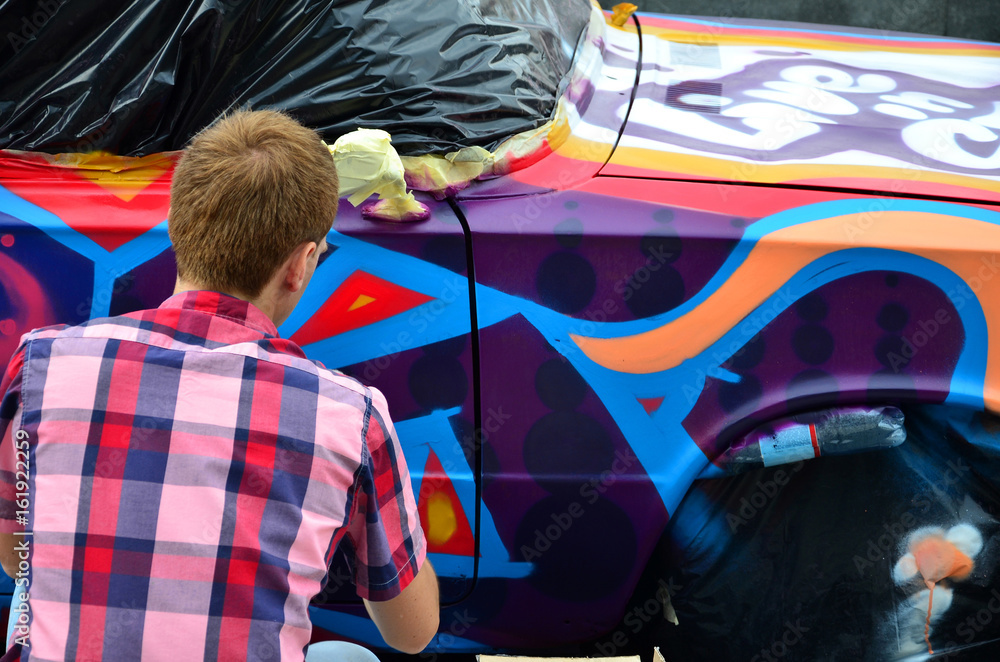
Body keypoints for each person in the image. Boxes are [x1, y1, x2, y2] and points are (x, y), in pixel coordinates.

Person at [0, 109, 438, 661]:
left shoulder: (41, 363)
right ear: (301, 264)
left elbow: (19, 552)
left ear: (178, 227)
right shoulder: (350, 415)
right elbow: (412, 631)